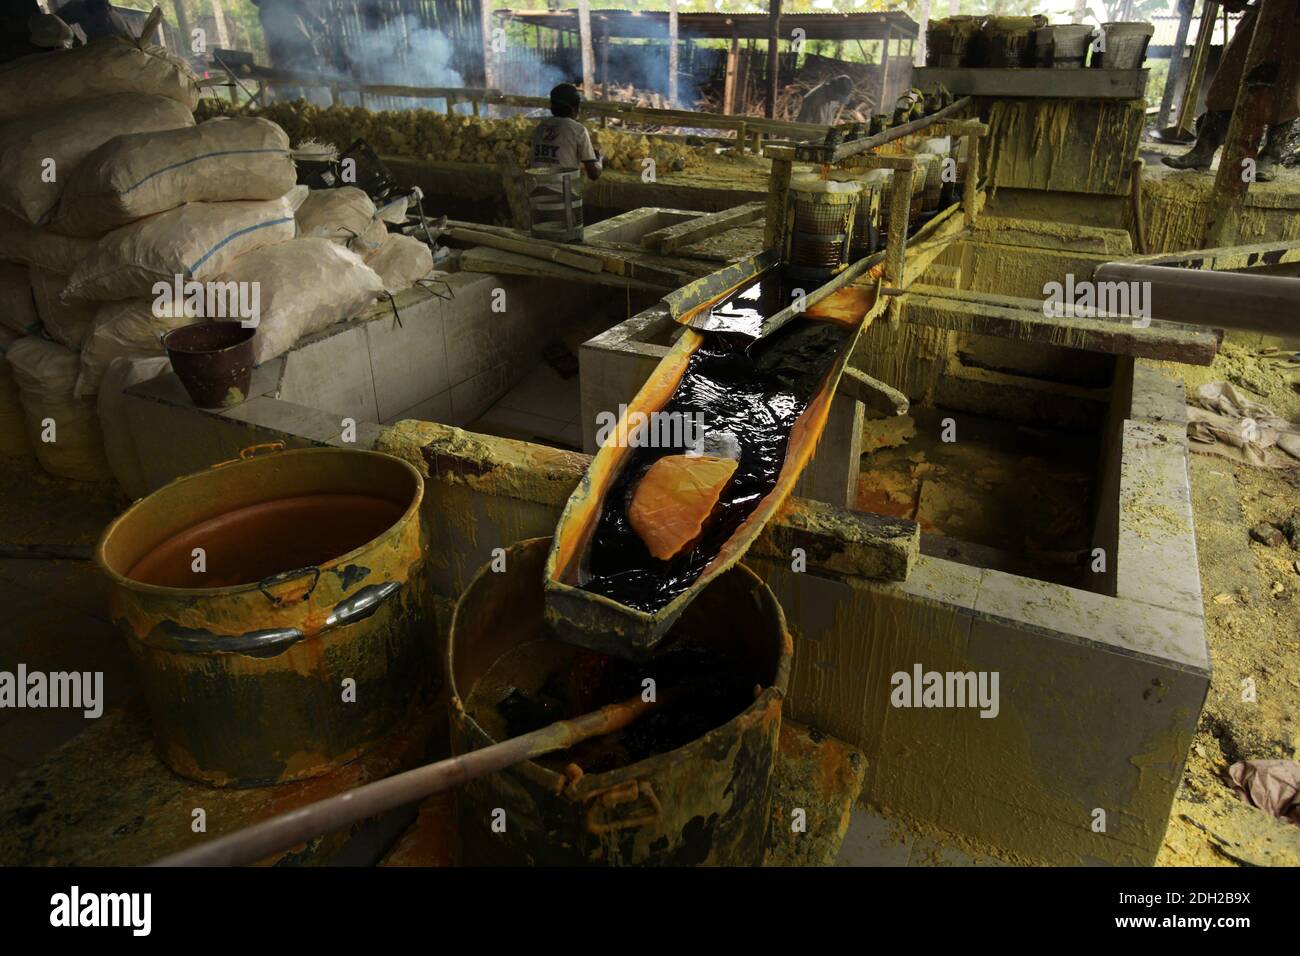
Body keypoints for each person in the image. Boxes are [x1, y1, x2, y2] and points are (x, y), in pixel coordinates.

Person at [1163, 0, 1299, 181]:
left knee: (1287, 90)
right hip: (1264, 10)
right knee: (1231, 74)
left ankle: (1270, 156)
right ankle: (1203, 150)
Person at [531, 82, 602, 181]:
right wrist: (600, 160)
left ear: (552, 108)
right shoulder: (578, 130)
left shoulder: (539, 128)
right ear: (574, 109)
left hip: (536, 192)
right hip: (564, 193)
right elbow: (593, 174)